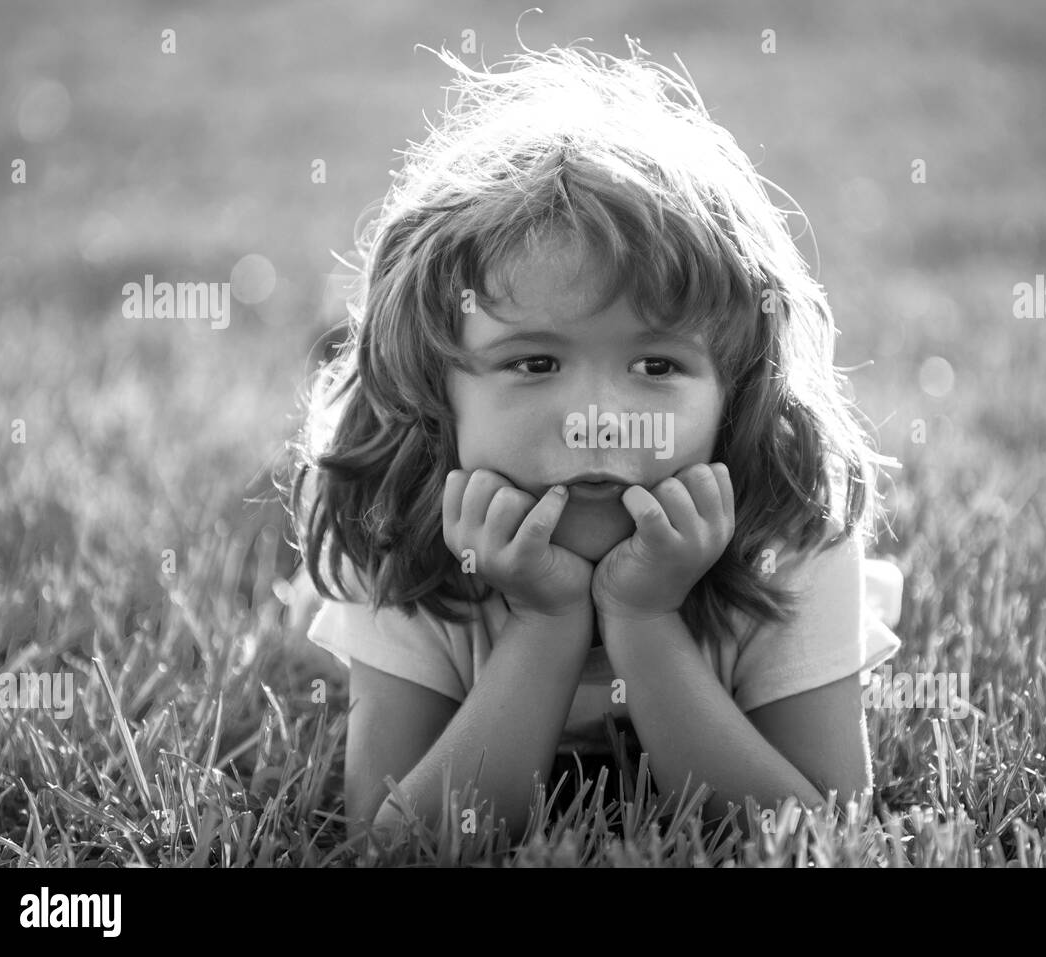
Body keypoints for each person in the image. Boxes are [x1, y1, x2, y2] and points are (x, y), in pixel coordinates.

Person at [285, 36, 904, 853]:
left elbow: (819, 832)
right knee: (303, 628)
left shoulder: (789, 534)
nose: (599, 419)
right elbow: (398, 840)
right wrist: (546, 621)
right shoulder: (398, 529)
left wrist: (644, 621)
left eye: (656, 363)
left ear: (738, 388)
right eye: (534, 362)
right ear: (439, 392)